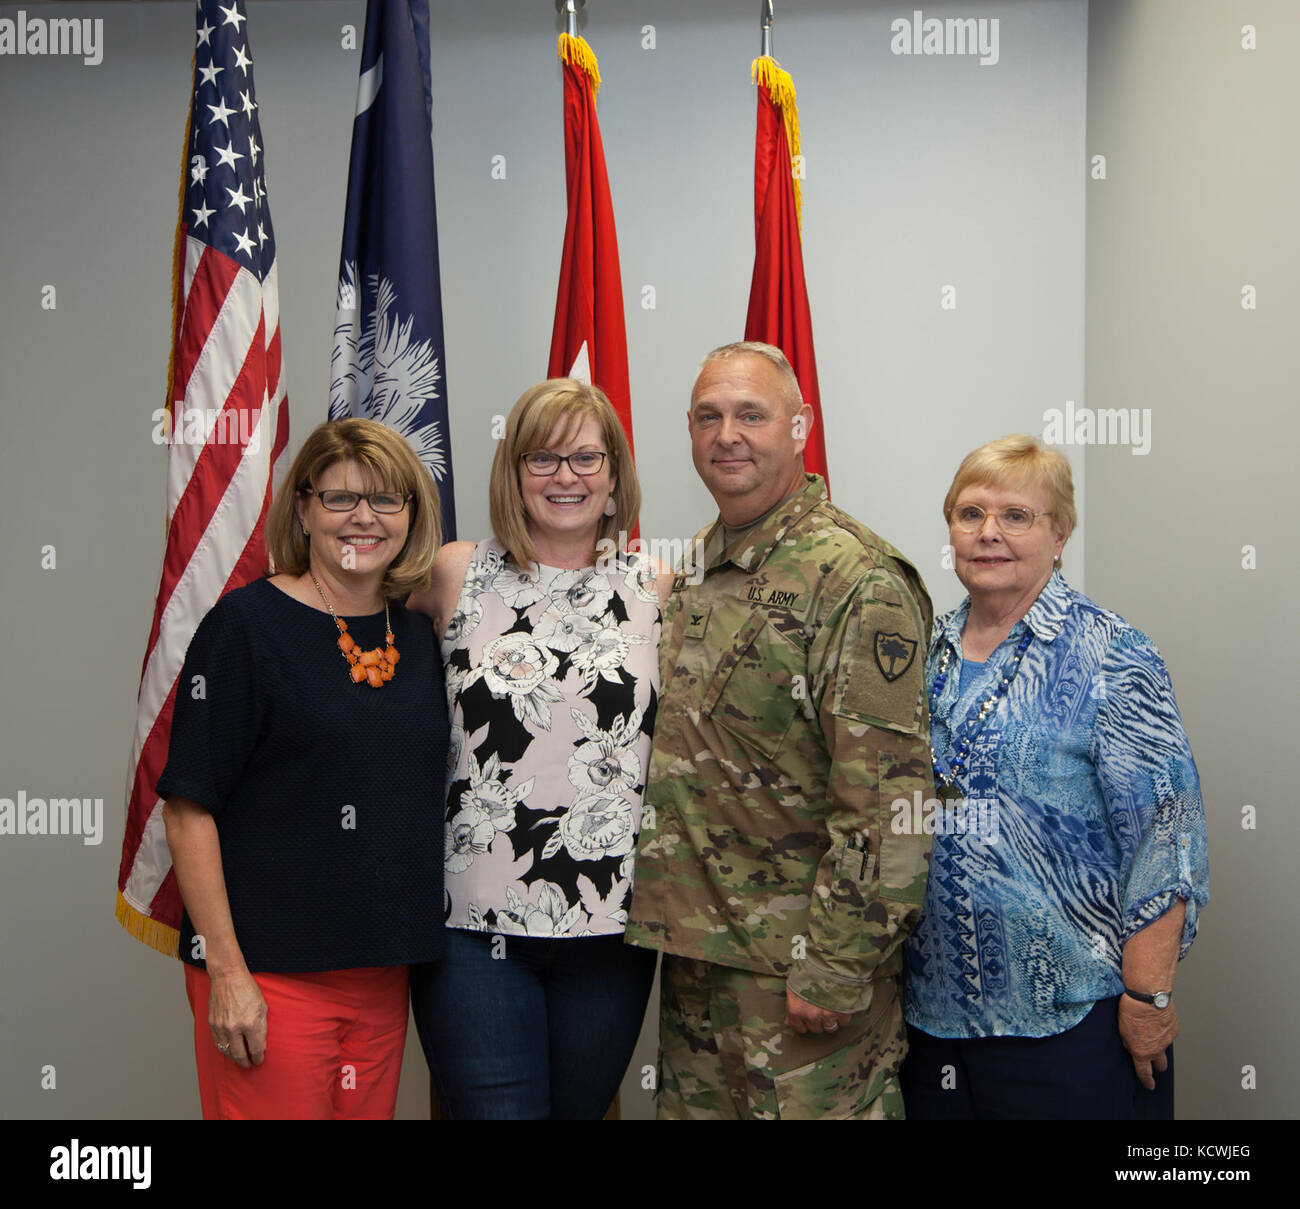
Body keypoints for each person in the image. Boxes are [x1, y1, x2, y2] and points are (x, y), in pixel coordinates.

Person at [624, 341, 935, 1120]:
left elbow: (891, 801)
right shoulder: (703, 563)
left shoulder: (855, 577)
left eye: (751, 414)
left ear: (800, 427)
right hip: (700, 956)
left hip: (800, 970)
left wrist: (835, 964)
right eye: (708, 416)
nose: (727, 433)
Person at [901, 434, 1210, 1120]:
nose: (989, 534)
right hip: (931, 1024)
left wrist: (1148, 997)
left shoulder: (1114, 654)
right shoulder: (922, 650)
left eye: (1017, 516)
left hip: (1074, 1024)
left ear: (1060, 532)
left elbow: (1168, 838)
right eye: (970, 512)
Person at [159, 418, 447, 1120]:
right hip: (268, 973)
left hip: (383, 972)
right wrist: (227, 970)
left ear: (411, 516)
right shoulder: (245, 628)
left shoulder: (414, 632)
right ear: (305, 508)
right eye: (341, 498)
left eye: (386, 500)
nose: (363, 518)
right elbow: (187, 806)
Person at [408, 378, 661, 1120]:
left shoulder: (658, 586)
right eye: (541, 457)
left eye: (586, 457)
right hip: (471, 926)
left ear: (614, 474)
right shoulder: (455, 571)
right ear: (513, 472)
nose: (565, 476)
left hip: (612, 928)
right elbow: (336, 596)